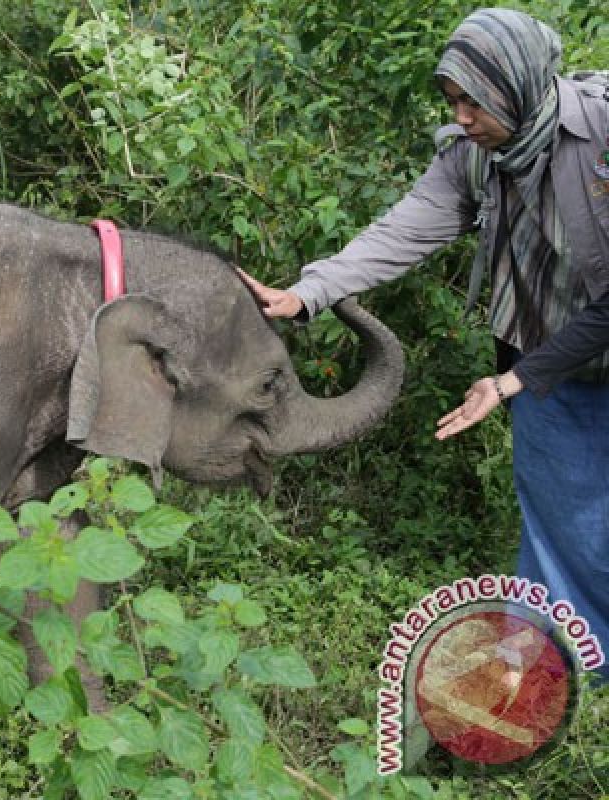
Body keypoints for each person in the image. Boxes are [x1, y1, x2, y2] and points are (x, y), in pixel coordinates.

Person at [242, 8, 609, 675]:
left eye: (475, 101)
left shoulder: (601, 138)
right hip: (547, 366)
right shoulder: (476, 158)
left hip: (556, 358)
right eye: (453, 102)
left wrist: (510, 383)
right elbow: (400, 232)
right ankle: (574, 670)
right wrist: (307, 293)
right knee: (562, 524)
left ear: (520, 85)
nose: (463, 117)